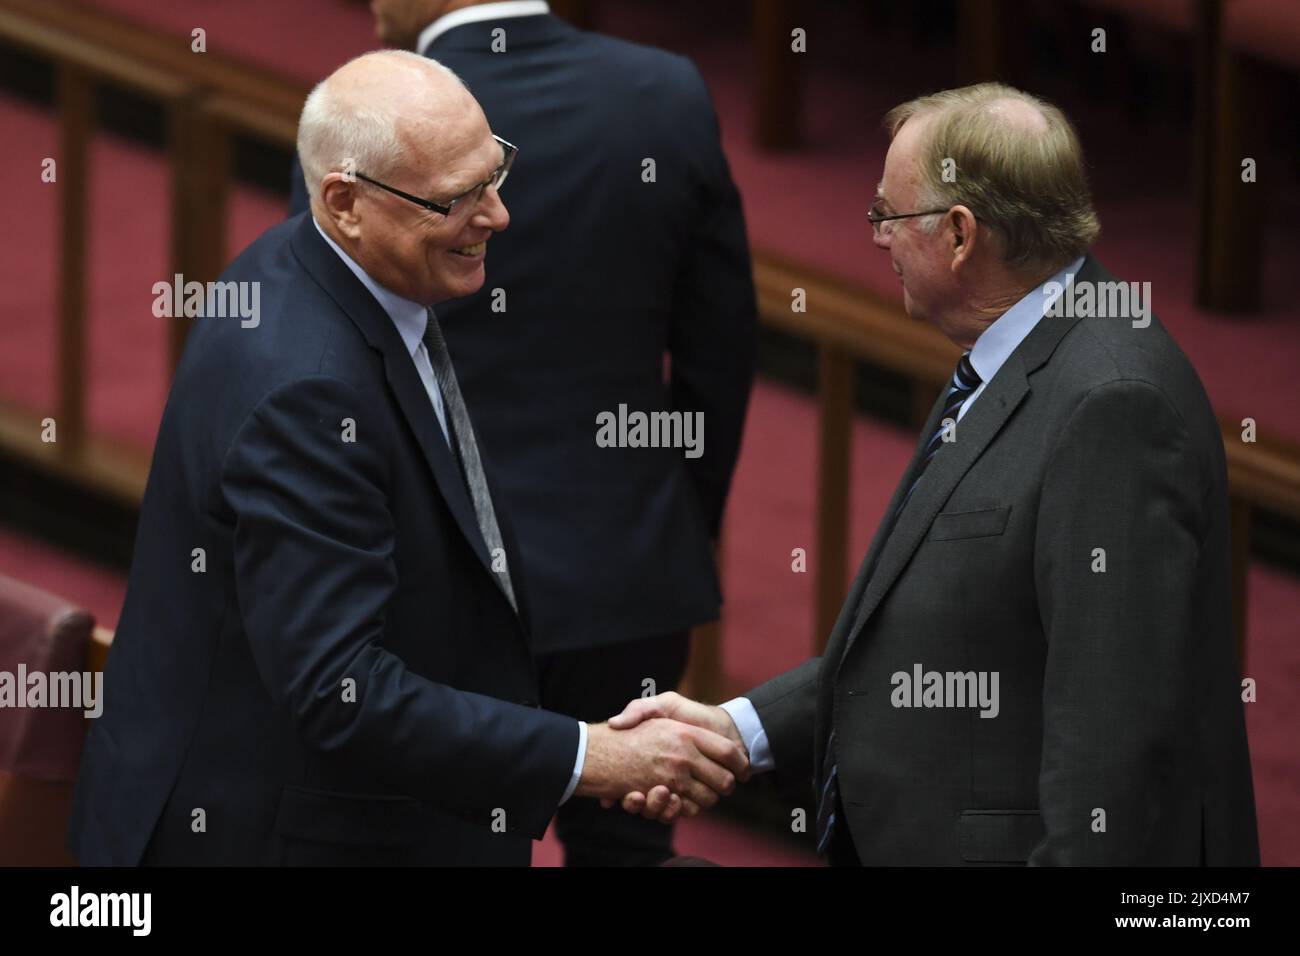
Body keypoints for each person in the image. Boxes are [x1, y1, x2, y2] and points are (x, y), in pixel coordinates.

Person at [66, 50, 745, 867]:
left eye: (497, 175)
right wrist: (591, 757)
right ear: (345, 202)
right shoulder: (309, 392)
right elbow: (339, 691)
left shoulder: (321, 264)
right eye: (457, 199)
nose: (498, 216)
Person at [610, 83, 1260, 866]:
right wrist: (739, 730)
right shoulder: (1024, 349)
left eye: (888, 214)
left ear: (959, 236)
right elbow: (948, 639)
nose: (878, 238)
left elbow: (1112, 760)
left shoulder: (1112, 408)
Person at [289, 0, 756, 866]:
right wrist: (681, 522)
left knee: (434, 849)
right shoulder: (665, 91)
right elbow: (720, 346)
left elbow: (327, 356)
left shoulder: (369, 123)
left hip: (432, 585)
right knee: (625, 852)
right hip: (627, 566)